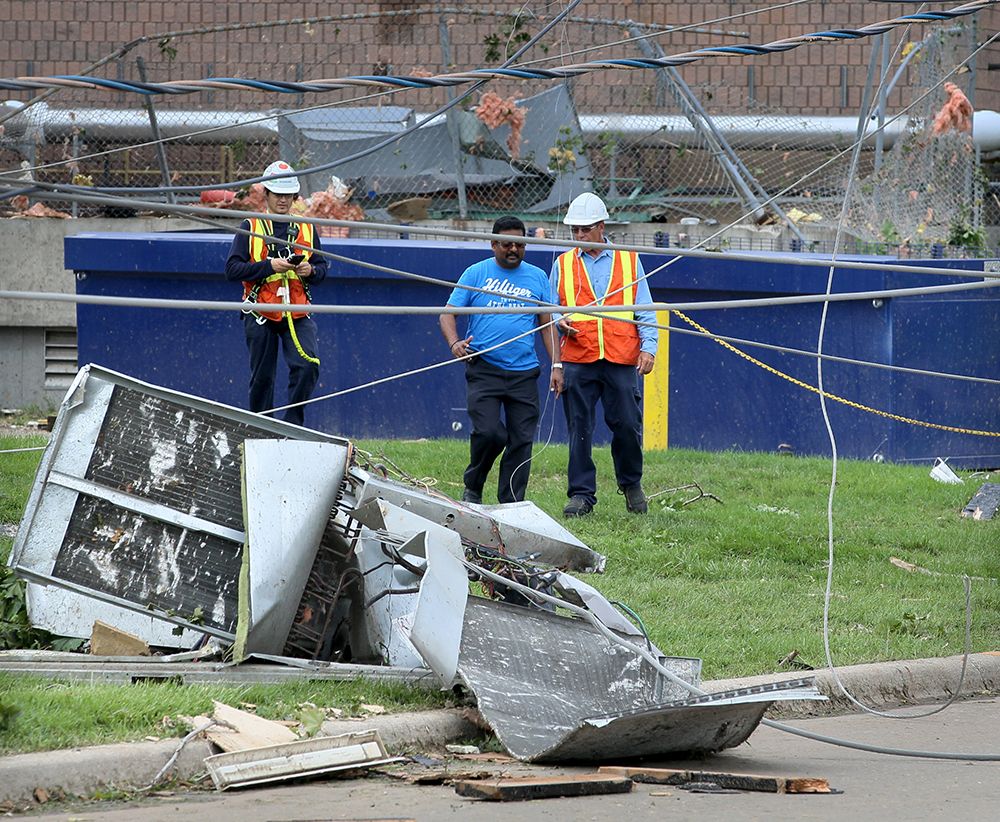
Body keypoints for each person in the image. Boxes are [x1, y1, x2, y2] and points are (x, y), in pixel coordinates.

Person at [440, 216, 563, 504]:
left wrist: (557, 365)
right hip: (484, 370)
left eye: (519, 244)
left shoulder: (538, 277)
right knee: (490, 433)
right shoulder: (475, 273)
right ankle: (474, 485)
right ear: (493, 244)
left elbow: (546, 325)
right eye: (507, 244)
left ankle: (511, 504)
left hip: (525, 373)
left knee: (521, 441)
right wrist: (455, 343)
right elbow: (447, 314)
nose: (513, 250)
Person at [551, 192, 657, 517]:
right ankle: (581, 496)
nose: (579, 237)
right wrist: (559, 320)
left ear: (601, 227)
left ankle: (631, 484)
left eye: (585, 230)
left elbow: (645, 307)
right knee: (578, 428)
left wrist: (649, 347)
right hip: (578, 358)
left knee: (627, 425)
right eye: (575, 232)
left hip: (621, 357)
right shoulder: (563, 264)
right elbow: (551, 309)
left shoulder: (629, 260)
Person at [225, 160, 328, 427]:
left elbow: (322, 269)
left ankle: (292, 427)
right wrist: (269, 266)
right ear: (267, 194)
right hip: (260, 310)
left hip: (297, 312)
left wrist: (310, 271)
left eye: (288, 195)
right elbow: (232, 269)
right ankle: (262, 429)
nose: (283, 200)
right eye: (278, 194)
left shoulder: (306, 228)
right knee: (262, 377)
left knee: (308, 365)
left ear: (295, 196)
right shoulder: (251, 227)